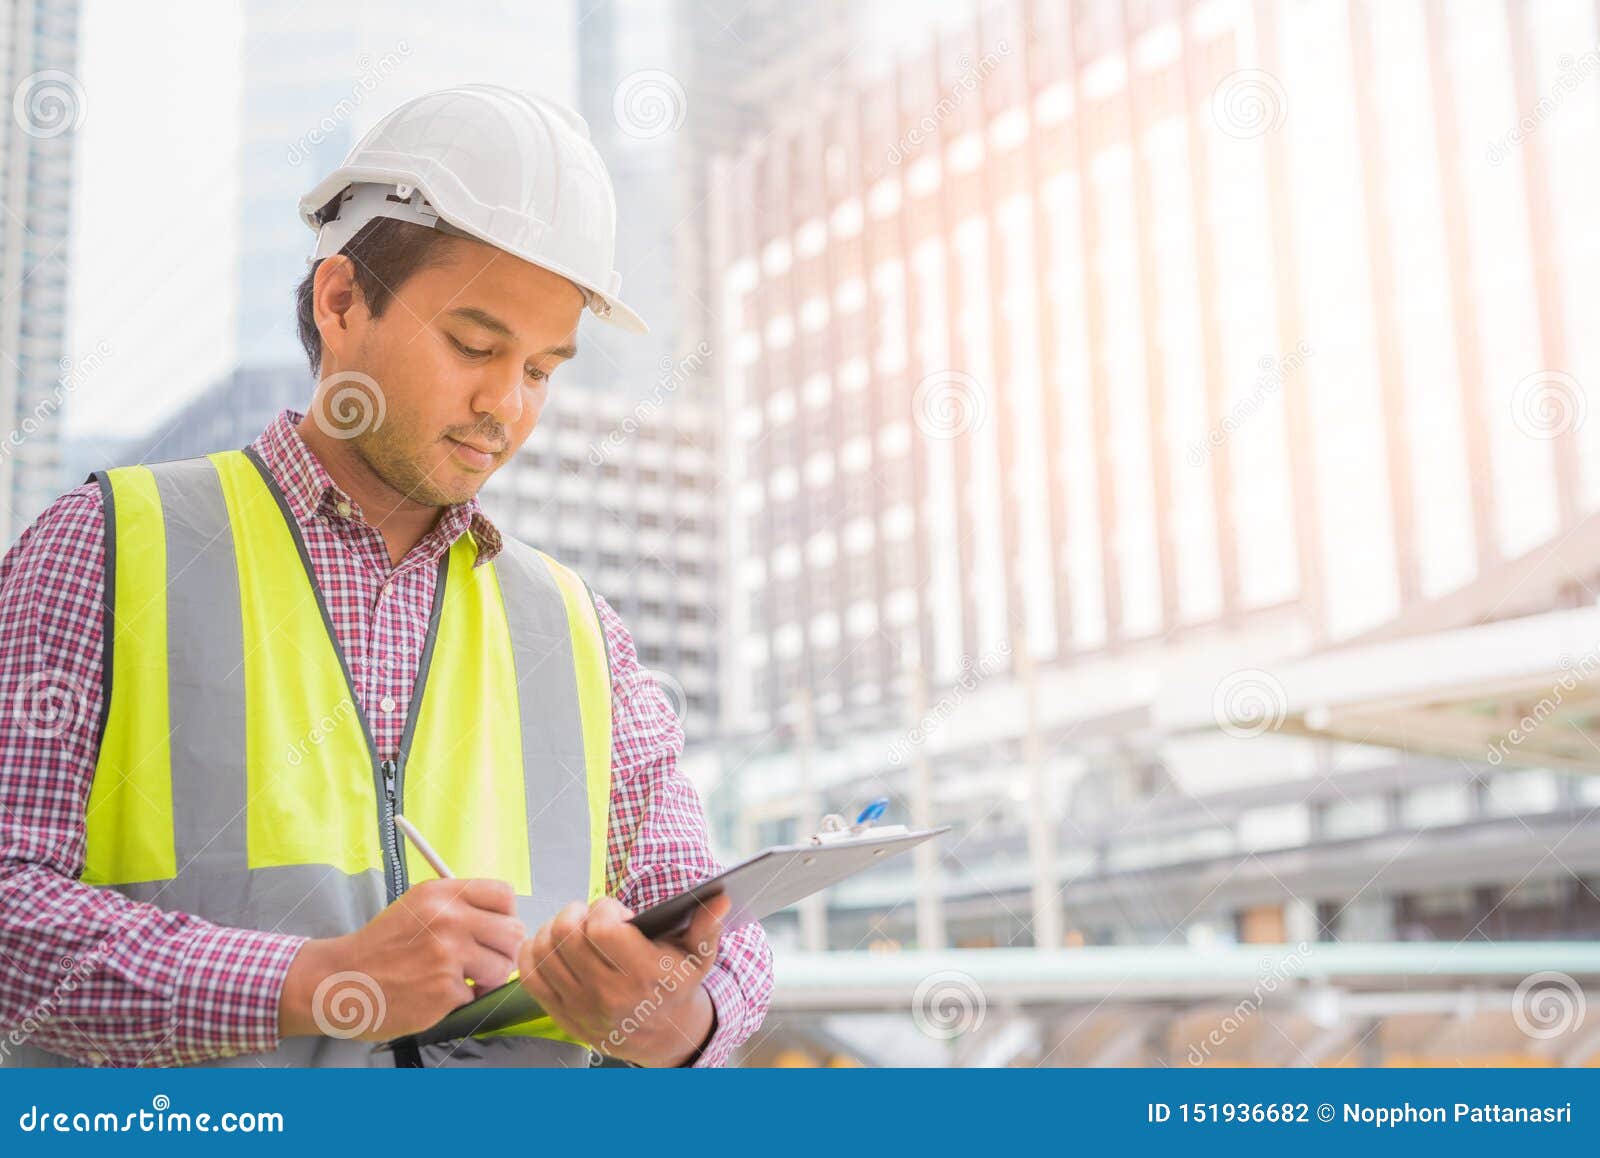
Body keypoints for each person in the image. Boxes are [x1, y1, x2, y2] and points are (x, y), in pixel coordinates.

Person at [0, 84, 772, 1068]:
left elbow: (724, 930)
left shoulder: (581, 634)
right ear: (340, 302)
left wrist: (683, 1022)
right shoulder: (104, 549)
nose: (503, 404)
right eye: (474, 345)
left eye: (540, 369)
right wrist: (320, 980)